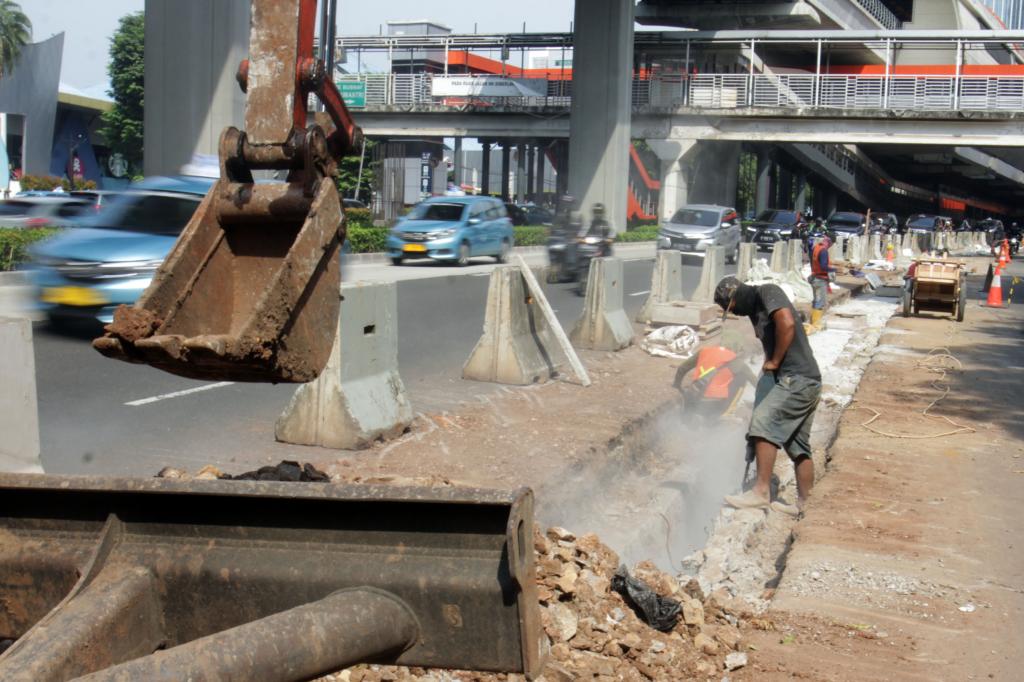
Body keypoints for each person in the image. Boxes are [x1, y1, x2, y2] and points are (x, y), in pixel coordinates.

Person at [713, 275, 822, 516]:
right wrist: (768, 370)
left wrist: (774, 361)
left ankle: (760, 493)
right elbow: (771, 348)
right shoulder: (754, 313)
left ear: (736, 295)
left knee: (762, 422)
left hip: (798, 379)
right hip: (802, 380)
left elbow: (787, 323)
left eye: (732, 307)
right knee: (797, 446)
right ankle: (807, 505)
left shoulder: (767, 292)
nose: (736, 313)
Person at [674, 337, 758, 423]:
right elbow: (756, 383)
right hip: (716, 402)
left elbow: (682, 368)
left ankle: (688, 418)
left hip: (695, 394)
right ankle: (724, 413)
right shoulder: (738, 362)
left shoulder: (704, 351)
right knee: (742, 377)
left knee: (693, 391)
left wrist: (677, 386)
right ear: (736, 348)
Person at [808, 236, 835, 326]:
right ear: (828, 242)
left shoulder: (816, 248)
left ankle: (813, 321)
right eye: (830, 244)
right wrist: (833, 270)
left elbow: (812, 262)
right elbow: (823, 266)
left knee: (816, 300)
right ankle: (815, 324)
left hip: (815, 277)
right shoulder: (823, 251)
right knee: (820, 302)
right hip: (820, 279)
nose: (830, 246)